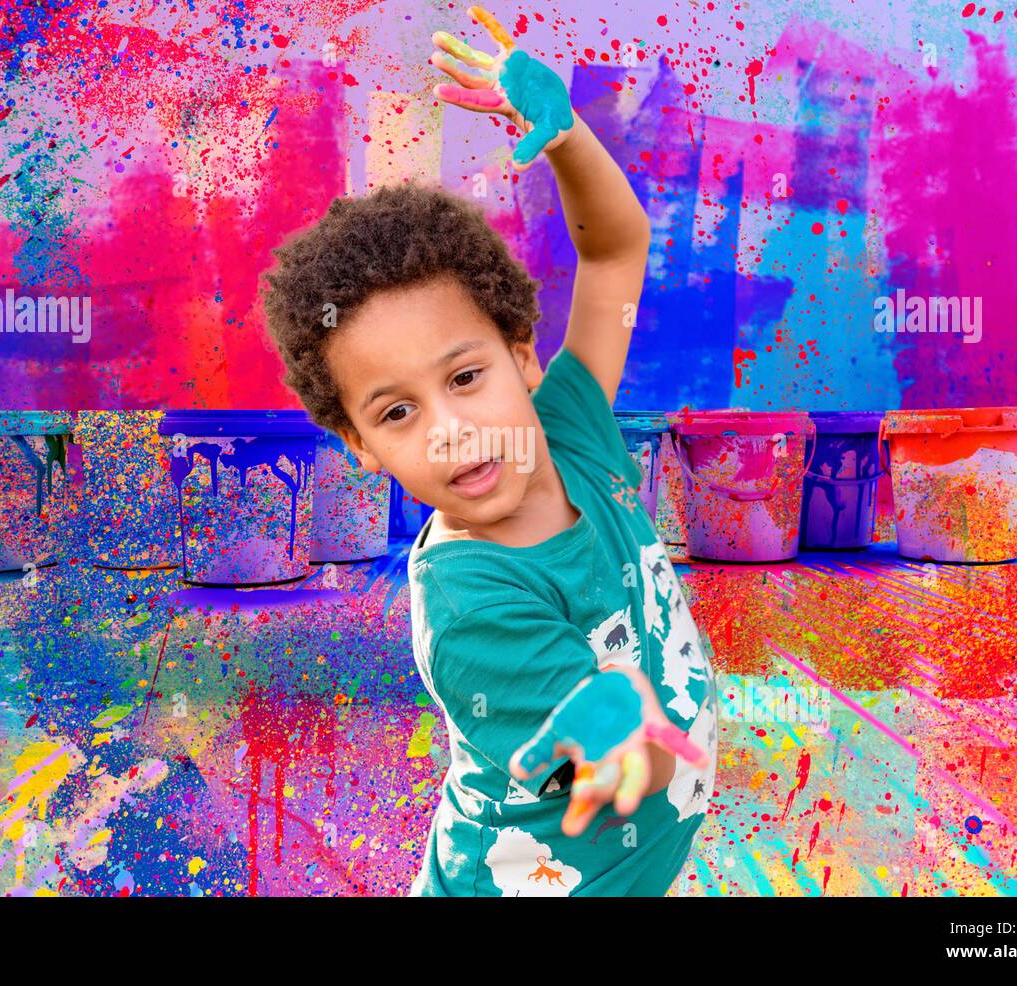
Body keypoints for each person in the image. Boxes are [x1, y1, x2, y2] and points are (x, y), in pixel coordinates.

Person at [263, 6, 717, 896]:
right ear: (359, 446)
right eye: (397, 414)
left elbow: (617, 252)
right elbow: (641, 773)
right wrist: (621, 725)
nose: (449, 429)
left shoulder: (571, 429)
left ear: (521, 354)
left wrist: (569, 140)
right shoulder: (471, 605)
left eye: (465, 378)